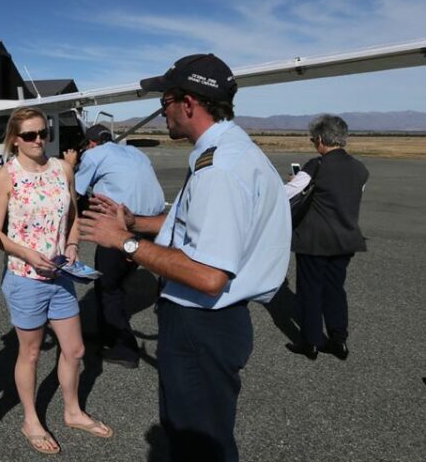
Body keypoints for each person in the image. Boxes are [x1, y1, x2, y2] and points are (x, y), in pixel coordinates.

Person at [80, 54, 290, 462]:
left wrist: (123, 241)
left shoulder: (220, 171)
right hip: (211, 325)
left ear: (189, 104)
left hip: (202, 324)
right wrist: (135, 221)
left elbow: (210, 275)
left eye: (166, 103)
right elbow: (195, 226)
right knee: (202, 439)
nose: (163, 114)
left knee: (197, 447)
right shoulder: (232, 152)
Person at [0, 106, 113, 456]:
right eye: (30, 135)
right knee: (29, 353)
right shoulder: (6, 176)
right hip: (25, 278)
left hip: (61, 276)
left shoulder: (62, 168)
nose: (39, 140)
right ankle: (30, 418)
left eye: (43, 133)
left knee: (74, 349)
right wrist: (26, 254)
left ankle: (72, 411)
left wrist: (72, 244)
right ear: (15, 139)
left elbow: (72, 213)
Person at [73, 124, 165, 368]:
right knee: (114, 283)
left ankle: (125, 349)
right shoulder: (135, 152)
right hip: (150, 226)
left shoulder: (93, 154)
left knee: (108, 286)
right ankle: (107, 335)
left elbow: (76, 191)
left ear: (91, 143)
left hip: (121, 228)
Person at [284, 114, 368, 360]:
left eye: (313, 139)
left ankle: (310, 342)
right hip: (346, 238)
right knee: (335, 289)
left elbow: (289, 192)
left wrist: (293, 181)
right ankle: (338, 340)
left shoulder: (317, 165)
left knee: (310, 291)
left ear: (320, 139)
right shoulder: (360, 168)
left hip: (314, 240)